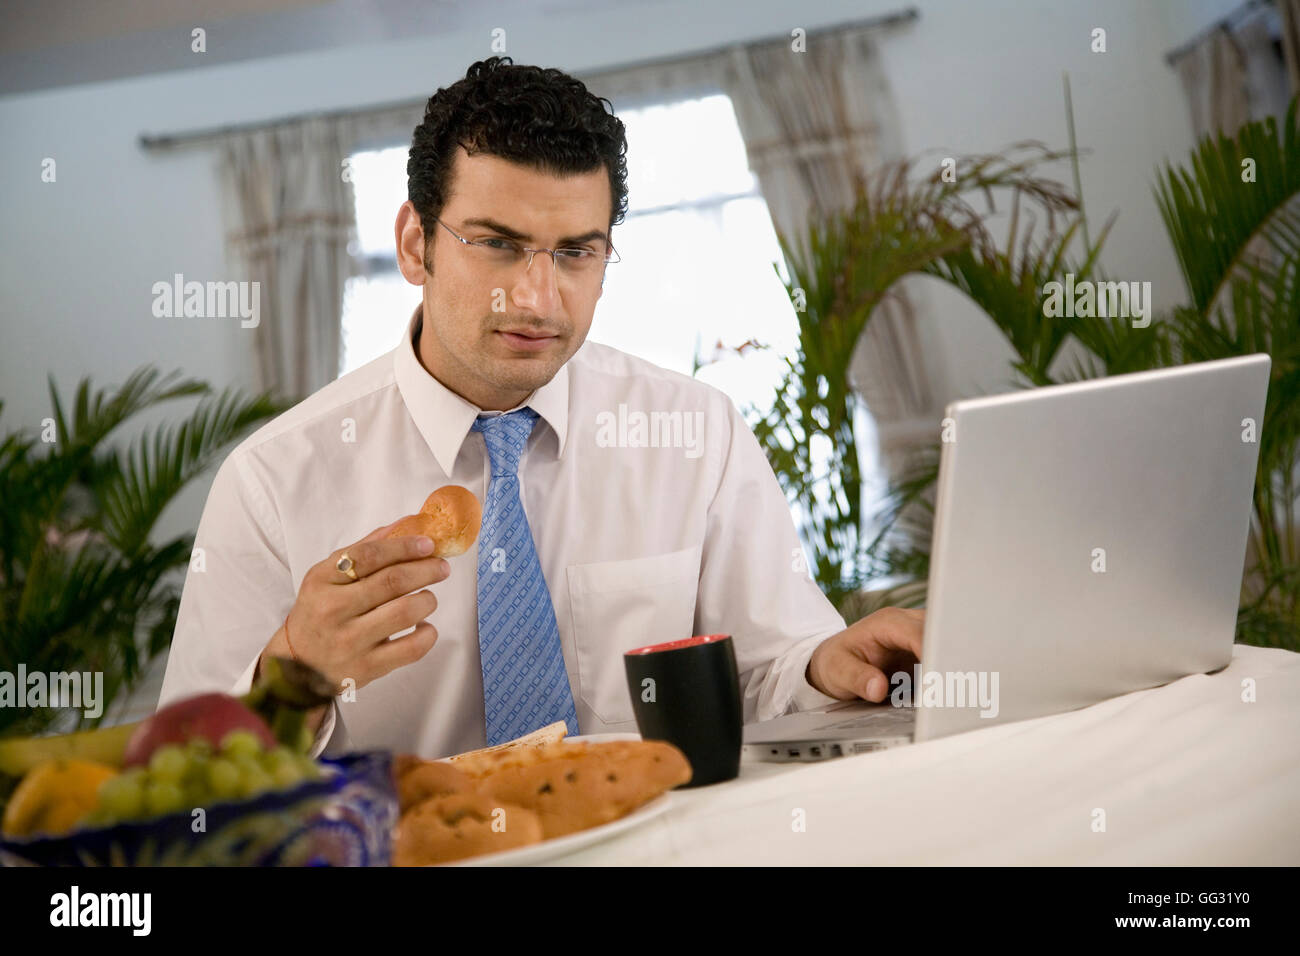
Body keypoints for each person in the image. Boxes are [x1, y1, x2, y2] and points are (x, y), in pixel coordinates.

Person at [159, 56, 923, 759]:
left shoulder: (696, 434)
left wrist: (829, 668)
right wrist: (289, 676)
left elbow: (772, 671)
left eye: (575, 252)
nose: (535, 297)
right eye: (496, 243)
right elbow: (187, 779)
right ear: (416, 243)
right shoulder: (270, 484)